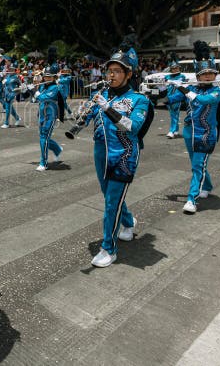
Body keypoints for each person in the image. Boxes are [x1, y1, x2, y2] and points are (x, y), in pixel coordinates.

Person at [82, 40, 153, 267]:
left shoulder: (139, 100)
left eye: (117, 71)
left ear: (128, 73)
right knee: (110, 196)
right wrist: (83, 113)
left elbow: (133, 127)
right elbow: (90, 120)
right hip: (100, 151)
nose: (111, 75)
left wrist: (107, 108)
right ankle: (128, 221)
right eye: (109, 71)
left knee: (112, 202)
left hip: (124, 154)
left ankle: (108, 249)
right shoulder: (105, 95)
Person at [177, 41, 220, 213]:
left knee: (198, 166)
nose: (207, 76)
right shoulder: (190, 87)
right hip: (189, 131)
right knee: (197, 164)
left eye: (211, 73)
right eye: (204, 73)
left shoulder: (219, 91)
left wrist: (186, 91)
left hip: (206, 133)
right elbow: (173, 99)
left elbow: (204, 100)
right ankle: (208, 185)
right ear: (197, 75)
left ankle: (192, 199)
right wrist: (170, 84)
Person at [34, 46, 65, 171]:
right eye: (45, 76)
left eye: (49, 77)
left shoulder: (55, 88)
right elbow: (37, 98)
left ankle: (44, 162)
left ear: (54, 77)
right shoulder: (43, 86)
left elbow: (43, 98)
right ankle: (57, 149)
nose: (46, 79)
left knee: (44, 137)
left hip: (50, 117)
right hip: (41, 115)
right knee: (43, 136)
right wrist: (27, 88)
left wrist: (34, 92)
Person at [164, 52, 187, 138]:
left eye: (177, 68)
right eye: (173, 68)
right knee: (172, 114)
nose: (175, 69)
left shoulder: (182, 76)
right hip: (168, 98)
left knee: (175, 114)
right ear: (171, 69)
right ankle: (176, 129)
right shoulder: (167, 77)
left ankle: (171, 131)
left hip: (177, 98)